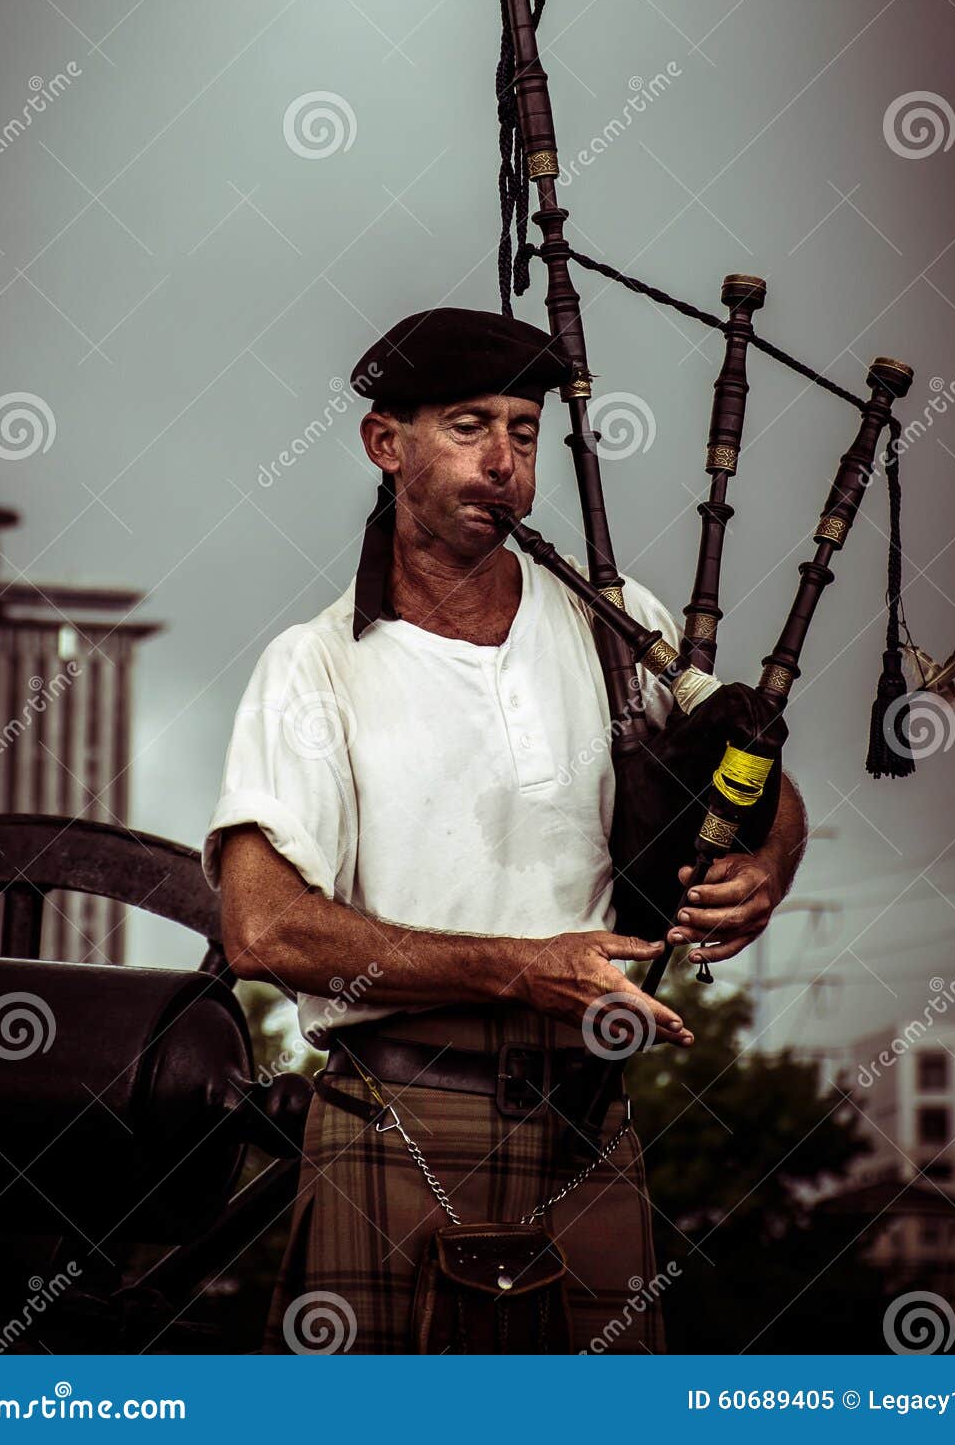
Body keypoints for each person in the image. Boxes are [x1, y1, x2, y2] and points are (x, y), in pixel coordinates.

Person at [202, 305, 807, 1354]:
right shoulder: (313, 667)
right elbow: (263, 929)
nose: (504, 464)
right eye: (468, 427)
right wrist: (520, 967)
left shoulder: (619, 627)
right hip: (395, 1117)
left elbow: (757, 772)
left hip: (587, 1125)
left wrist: (766, 862)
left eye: (523, 433)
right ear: (384, 444)